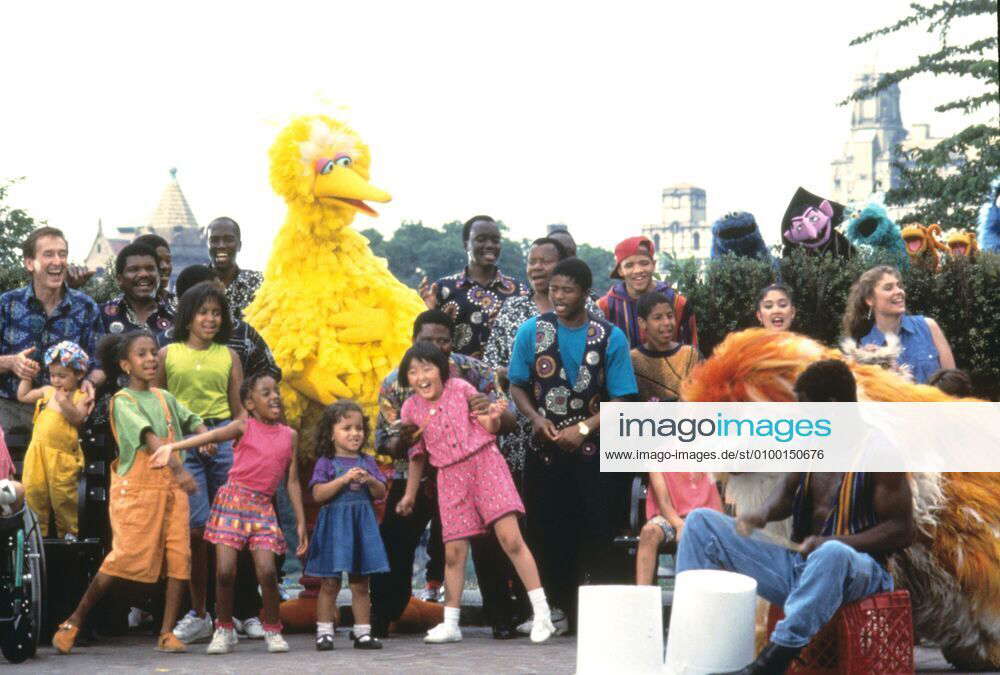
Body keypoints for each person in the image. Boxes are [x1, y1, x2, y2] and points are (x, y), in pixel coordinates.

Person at [676, 360, 913, 675]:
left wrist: (835, 541)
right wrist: (761, 513)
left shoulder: (879, 451)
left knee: (833, 553)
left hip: (861, 573)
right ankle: (691, 645)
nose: (801, 415)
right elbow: (787, 494)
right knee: (701, 523)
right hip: (801, 569)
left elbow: (902, 529)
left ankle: (772, 663)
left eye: (806, 407)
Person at [51, 331, 209, 655]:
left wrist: (203, 434)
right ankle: (73, 621)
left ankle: (166, 632)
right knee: (123, 558)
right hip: (139, 494)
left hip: (173, 493)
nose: (151, 359)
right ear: (125, 364)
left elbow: (190, 418)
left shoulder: (164, 397)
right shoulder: (122, 402)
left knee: (180, 558)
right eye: (142, 354)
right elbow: (149, 438)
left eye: (153, 352)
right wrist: (179, 469)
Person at [372, 309, 518, 640]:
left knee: (488, 543)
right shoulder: (394, 383)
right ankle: (382, 616)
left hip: (473, 473)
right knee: (395, 539)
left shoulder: (475, 372)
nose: (437, 347)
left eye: (444, 341)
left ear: (453, 342)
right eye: (428, 340)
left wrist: (489, 410)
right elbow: (385, 443)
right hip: (417, 476)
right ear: (413, 341)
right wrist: (403, 438)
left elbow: (509, 420)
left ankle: (501, 617)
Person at [508, 257, 638, 629]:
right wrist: (536, 420)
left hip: (593, 454)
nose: (559, 297)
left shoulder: (610, 336)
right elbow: (516, 384)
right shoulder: (531, 331)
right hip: (545, 451)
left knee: (596, 528)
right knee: (547, 530)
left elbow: (624, 399)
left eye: (567, 290)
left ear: (585, 292)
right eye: (554, 290)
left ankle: (594, 617)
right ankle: (554, 610)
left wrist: (584, 428)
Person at [396, 342, 556, 645]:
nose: (421, 377)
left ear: (441, 370)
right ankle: (451, 624)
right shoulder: (410, 409)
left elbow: (489, 425)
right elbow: (416, 455)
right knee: (454, 553)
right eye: (413, 372)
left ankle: (542, 614)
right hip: (449, 477)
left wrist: (493, 416)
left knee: (511, 540)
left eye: (427, 369)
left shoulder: (460, 388)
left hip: (485, 465)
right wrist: (409, 495)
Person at [155, 373, 307, 654]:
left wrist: (300, 521)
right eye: (266, 393)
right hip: (232, 503)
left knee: (267, 572)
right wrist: (172, 447)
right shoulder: (243, 427)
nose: (275, 396)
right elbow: (211, 435)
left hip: (262, 508)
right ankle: (224, 629)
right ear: (250, 403)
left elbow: (293, 481)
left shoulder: (290, 436)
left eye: (276, 391)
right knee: (225, 572)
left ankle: (273, 629)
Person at [157, 282, 244, 644]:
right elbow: (158, 404)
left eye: (216, 313)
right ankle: (198, 612)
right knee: (195, 530)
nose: (210, 319)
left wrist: (223, 438)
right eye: (203, 312)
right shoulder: (167, 354)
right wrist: (189, 438)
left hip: (222, 443)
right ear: (188, 316)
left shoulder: (229, 356)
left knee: (228, 532)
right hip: (182, 445)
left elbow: (239, 412)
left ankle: (227, 615)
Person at [0, 227, 103, 438]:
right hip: (9, 414)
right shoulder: (6, 304)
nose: (58, 261)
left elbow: (101, 363)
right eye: (48, 254)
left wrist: (90, 382)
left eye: (62, 254)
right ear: (30, 263)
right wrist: (10, 362)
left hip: (65, 413)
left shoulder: (85, 307)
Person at [306, 401, 389, 651]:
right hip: (334, 528)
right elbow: (318, 494)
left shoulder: (367, 461)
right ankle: (324, 632)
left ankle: (363, 632)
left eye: (359, 428)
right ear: (331, 433)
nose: (355, 433)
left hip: (361, 528)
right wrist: (343, 479)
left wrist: (370, 479)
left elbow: (381, 492)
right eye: (347, 428)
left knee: (361, 583)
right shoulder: (326, 462)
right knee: (330, 582)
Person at [420, 215, 528, 359]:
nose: (490, 245)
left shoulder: (519, 291)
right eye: (481, 239)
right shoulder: (443, 289)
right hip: (455, 372)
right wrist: (425, 310)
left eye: (495, 240)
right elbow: (427, 337)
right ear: (466, 244)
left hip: (506, 372)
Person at [16, 341, 93, 538]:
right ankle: (36, 534)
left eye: (62, 376)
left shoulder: (81, 396)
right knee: (34, 491)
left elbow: (77, 419)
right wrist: (27, 377)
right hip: (37, 453)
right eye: (52, 375)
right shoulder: (47, 391)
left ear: (79, 374)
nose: (56, 380)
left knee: (63, 496)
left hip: (62, 457)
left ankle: (68, 534)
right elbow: (23, 396)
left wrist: (64, 402)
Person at [158, 265, 282, 382]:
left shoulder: (242, 333)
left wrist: (244, 390)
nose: (223, 296)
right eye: (216, 292)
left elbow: (271, 372)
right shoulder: (165, 344)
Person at [844, 265, 955, 384]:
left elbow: (954, 382)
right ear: (870, 299)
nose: (899, 291)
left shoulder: (928, 326)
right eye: (888, 288)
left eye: (899, 286)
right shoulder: (863, 349)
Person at [597, 235, 697, 349]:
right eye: (629, 265)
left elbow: (691, 352)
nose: (638, 270)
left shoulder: (678, 303)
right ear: (620, 270)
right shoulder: (604, 307)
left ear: (653, 265)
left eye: (644, 263)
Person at [630, 291, 700, 403]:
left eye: (670, 316)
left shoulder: (690, 355)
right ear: (642, 322)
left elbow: (705, 391)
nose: (667, 322)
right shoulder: (633, 360)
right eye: (658, 318)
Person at [101, 242, 173, 336]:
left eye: (150, 268)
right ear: (119, 279)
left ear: (159, 275)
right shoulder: (102, 316)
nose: (144, 274)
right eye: (134, 269)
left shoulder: (177, 314)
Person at [207, 217, 263, 321]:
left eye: (228, 240)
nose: (221, 245)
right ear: (207, 245)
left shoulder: (259, 284)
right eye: (214, 240)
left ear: (239, 245)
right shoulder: (191, 283)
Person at [134, 233, 177, 310]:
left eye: (168, 261)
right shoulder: (118, 308)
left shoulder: (177, 305)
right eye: (158, 260)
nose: (165, 266)